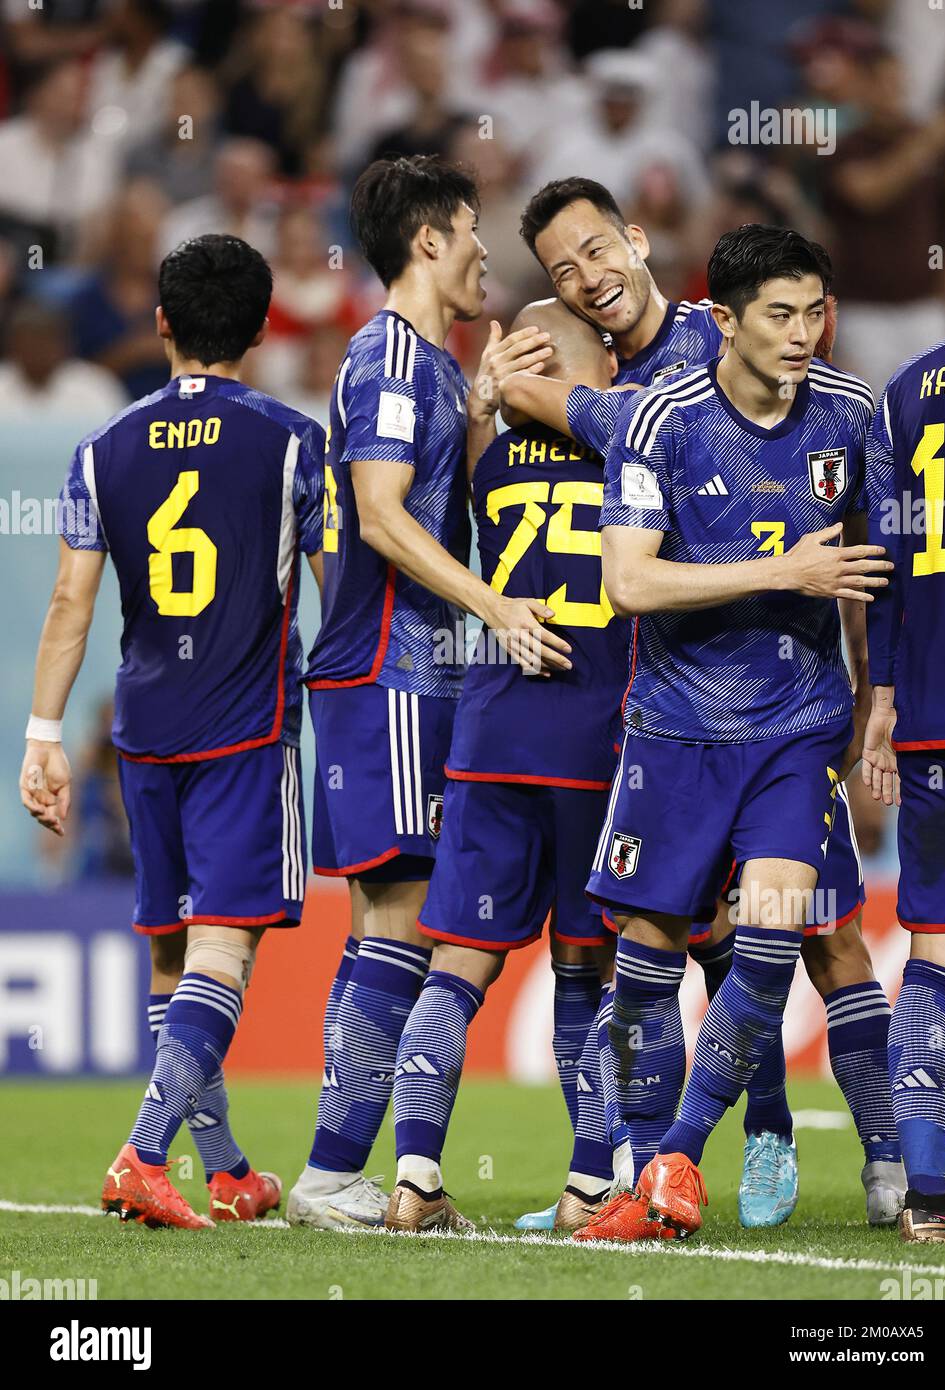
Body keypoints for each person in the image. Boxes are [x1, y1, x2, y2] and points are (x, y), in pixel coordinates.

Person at [517, 179, 903, 1230]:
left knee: (782, 936)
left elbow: (868, 579)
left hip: (794, 732)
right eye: (777, 313)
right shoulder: (659, 420)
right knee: (640, 975)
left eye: (812, 310)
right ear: (722, 321)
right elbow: (628, 583)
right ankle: (647, 1166)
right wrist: (779, 573)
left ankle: (707, 1160)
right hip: (673, 736)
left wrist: (876, 707)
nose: (800, 332)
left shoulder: (849, 411)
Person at [19, 233, 325, 1230]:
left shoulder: (100, 449)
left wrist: (42, 735)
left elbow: (71, 603)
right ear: (262, 326)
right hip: (245, 726)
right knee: (224, 946)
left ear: (159, 324)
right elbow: (339, 589)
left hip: (145, 731)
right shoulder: (290, 439)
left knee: (169, 949)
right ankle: (142, 1154)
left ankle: (227, 1166)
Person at [285, 155, 562, 1232]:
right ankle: (329, 1173)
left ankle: (347, 1170)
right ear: (429, 240)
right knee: (399, 917)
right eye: (473, 229)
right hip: (392, 671)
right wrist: (495, 608)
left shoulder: (433, 368)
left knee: (384, 926)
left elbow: (438, 509)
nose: (488, 250)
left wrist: (485, 410)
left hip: (407, 671)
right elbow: (384, 516)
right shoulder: (392, 359)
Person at [385, 298, 625, 1232]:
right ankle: (590, 1185)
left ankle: (414, 1178)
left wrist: (488, 394)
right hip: (598, 742)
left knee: (456, 967)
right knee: (587, 972)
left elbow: (485, 423)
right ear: (584, 369)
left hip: (489, 739)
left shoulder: (487, 465)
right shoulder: (633, 450)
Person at [862, 319, 945, 1243]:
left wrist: (886, 699)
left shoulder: (908, 389)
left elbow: (887, 574)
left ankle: (930, 1194)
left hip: (939, 716)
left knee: (938, 958)